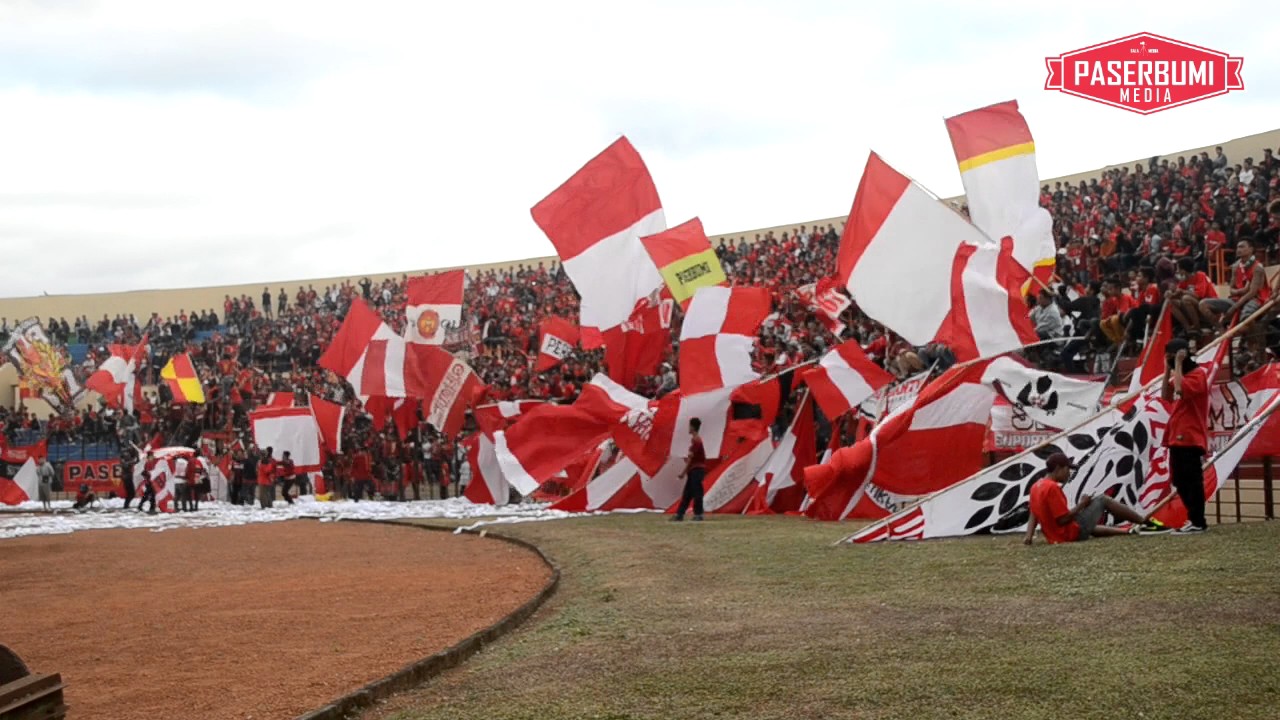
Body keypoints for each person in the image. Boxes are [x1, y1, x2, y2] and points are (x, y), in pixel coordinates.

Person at [1024, 453, 1153, 545]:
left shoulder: (1036, 486)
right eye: (1067, 469)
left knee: (1089, 524)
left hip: (1056, 537)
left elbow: (1033, 514)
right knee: (1103, 499)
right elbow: (1063, 520)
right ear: (1058, 469)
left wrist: (1028, 536)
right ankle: (1145, 523)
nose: (1069, 473)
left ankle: (1129, 531)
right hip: (1068, 536)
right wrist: (1082, 504)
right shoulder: (1052, 488)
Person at [1162, 338, 1211, 533]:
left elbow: (1180, 391)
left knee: (1192, 479)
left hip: (1190, 435)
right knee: (1179, 480)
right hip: (1176, 434)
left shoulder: (1198, 375)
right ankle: (1193, 518)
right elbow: (1166, 395)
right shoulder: (1178, 375)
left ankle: (1198, 520)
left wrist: (1179, 364)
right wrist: (1167, 370)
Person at [672, 418, 707, 522]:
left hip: (696, 470)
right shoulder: (696, 440)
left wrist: (683, 473)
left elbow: (691, 460)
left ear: (692, 427)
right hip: (695, 470)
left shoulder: (696, 441)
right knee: (688, 492)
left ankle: (698, 514)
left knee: (696, 492)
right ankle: (680, 514)